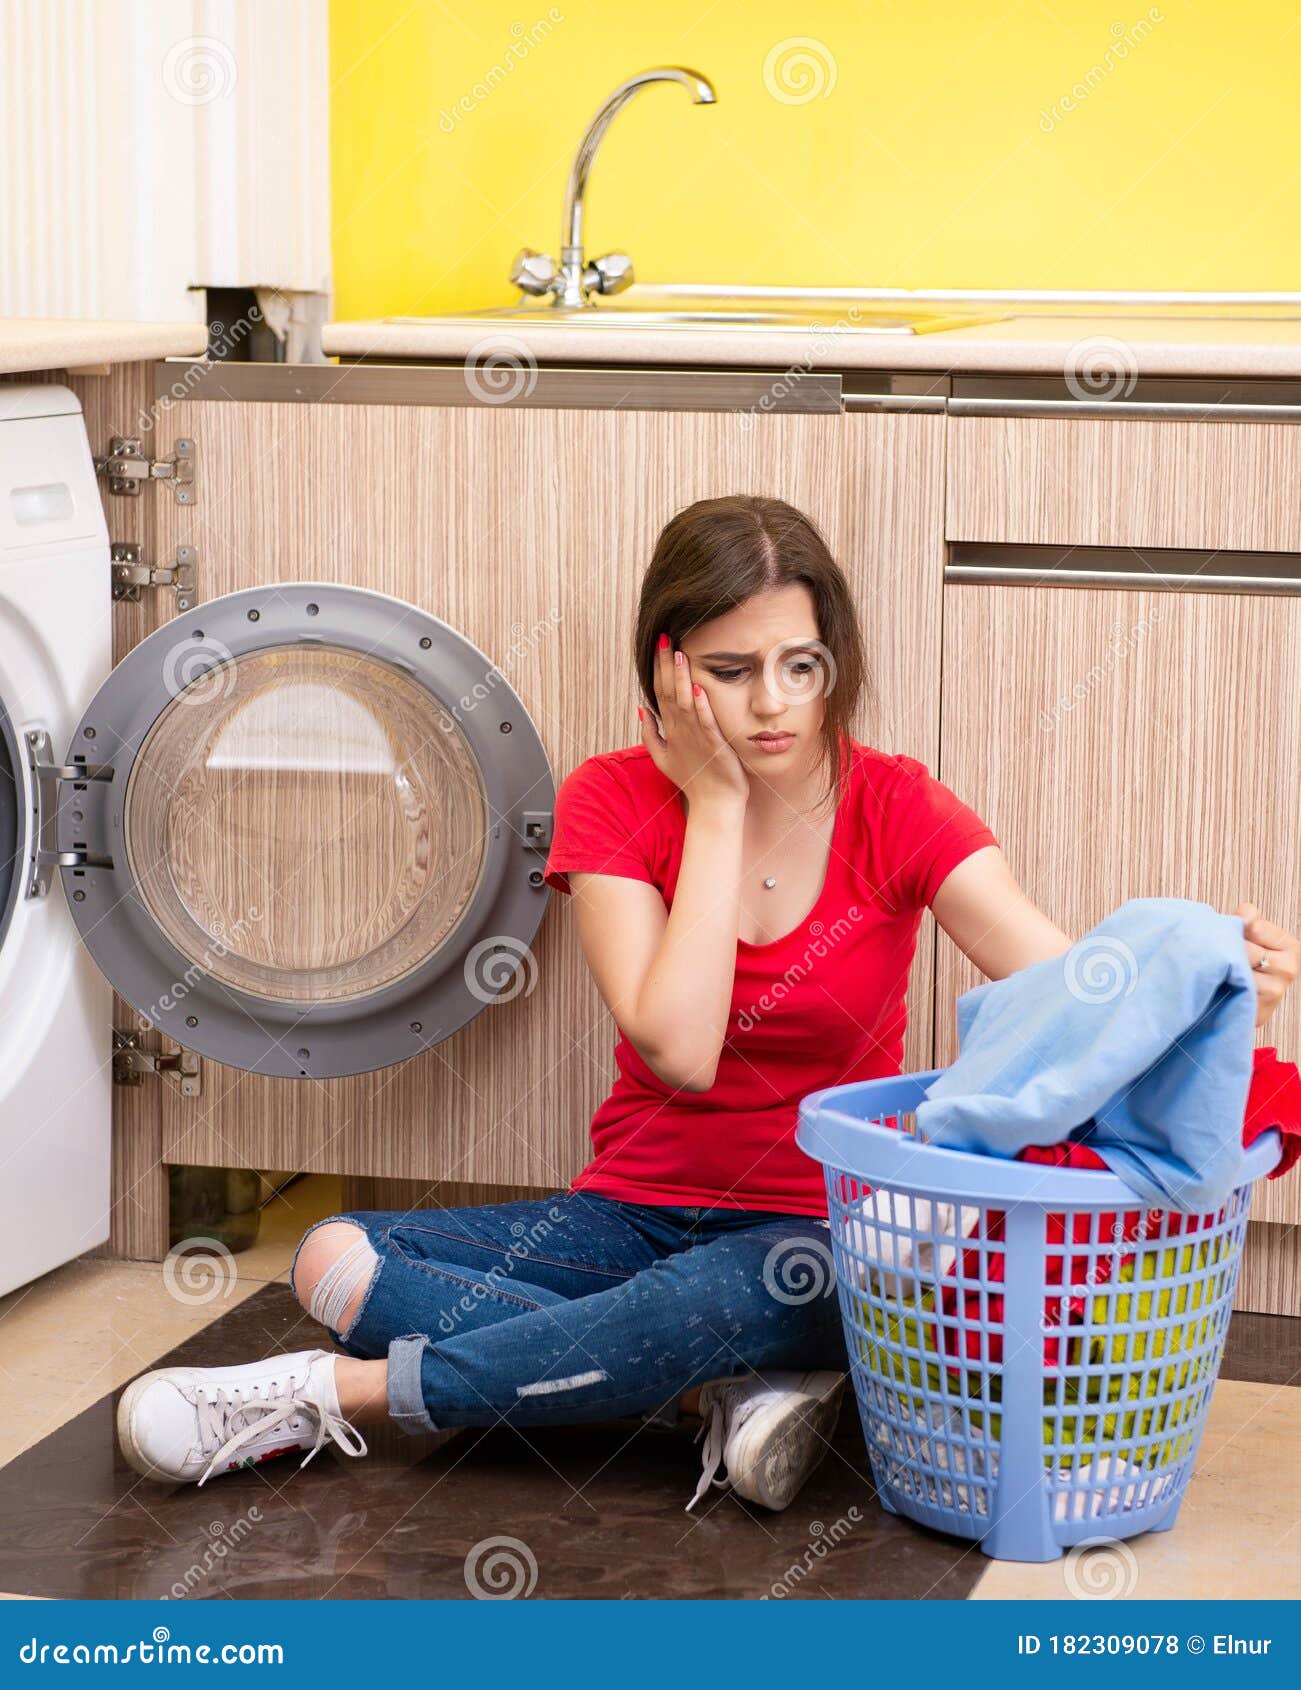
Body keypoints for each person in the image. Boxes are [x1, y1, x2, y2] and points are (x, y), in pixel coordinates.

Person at [116, 494, 1298, 1513]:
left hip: (827, 1233)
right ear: (669, 669)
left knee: (719, 1292)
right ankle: (696, 1383)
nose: (773, 704)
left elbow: (1065, 995)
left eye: (801, 665)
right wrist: (718, 809)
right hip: (630, 1208)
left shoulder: (896, 806)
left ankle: (331, 1395)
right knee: (335, 1255)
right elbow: (676, 1048)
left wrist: (1199, 979)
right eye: (731, 674)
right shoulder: (614, 801)